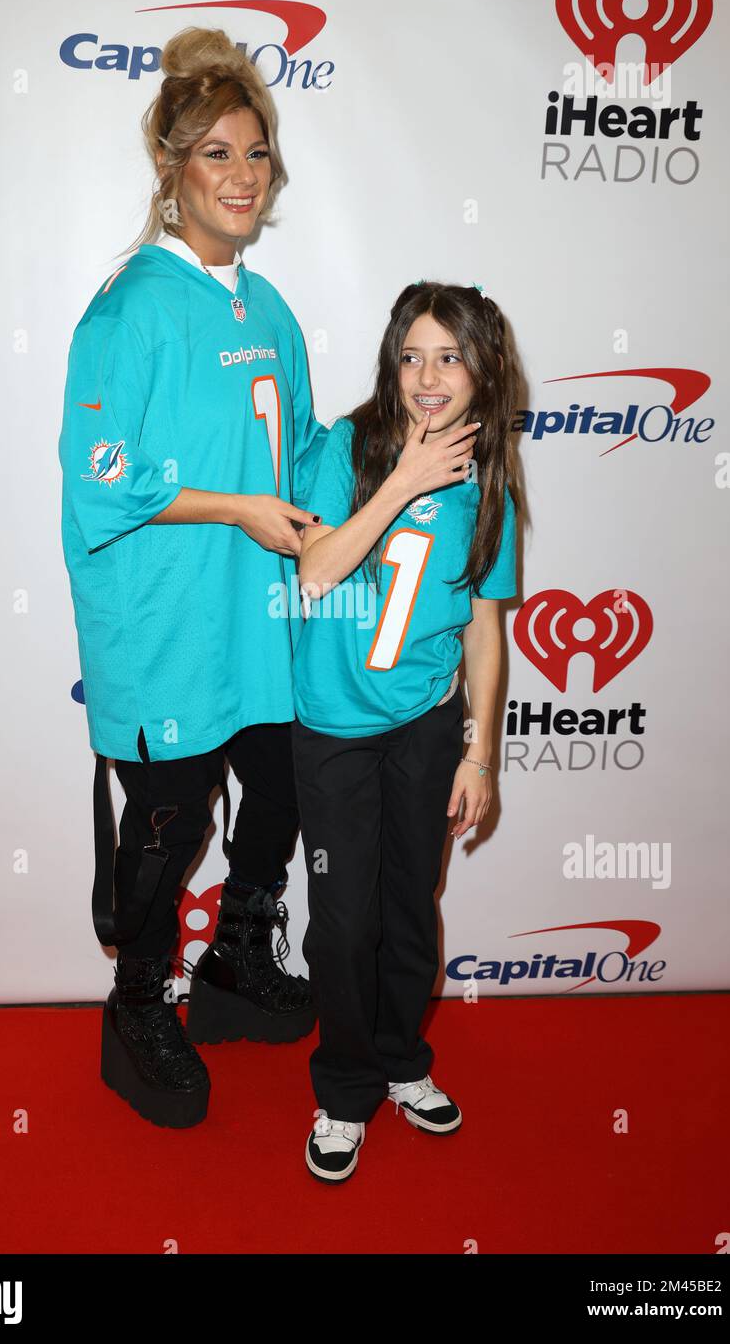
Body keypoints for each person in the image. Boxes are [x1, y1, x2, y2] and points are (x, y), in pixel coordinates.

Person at [58, 27, 328, 1130]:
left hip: (257, 629)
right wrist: (233, 508)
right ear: (171, 170)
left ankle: (234, 959)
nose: (240, 177)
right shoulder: (128, 308)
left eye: (256, 155)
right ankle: (136, 1007)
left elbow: (302, 452)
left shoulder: (266, 310)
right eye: (215, 154)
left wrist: (403, 461)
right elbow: (101, 476)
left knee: (285, 785)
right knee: (167, 829)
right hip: (166, 630)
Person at [292, 281, 520, 1181]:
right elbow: (312, 571)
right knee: (343, 922)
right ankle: (342, 1089)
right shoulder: (345, 447)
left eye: (449, 356)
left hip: (427, 730)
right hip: (334, 732)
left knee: (408, 914)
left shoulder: (492, 472)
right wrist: (403, 483)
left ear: (481, 369)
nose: (428, 375)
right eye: (411, 354)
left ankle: (397, 1062)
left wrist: (480, 752)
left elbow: (484, 630)